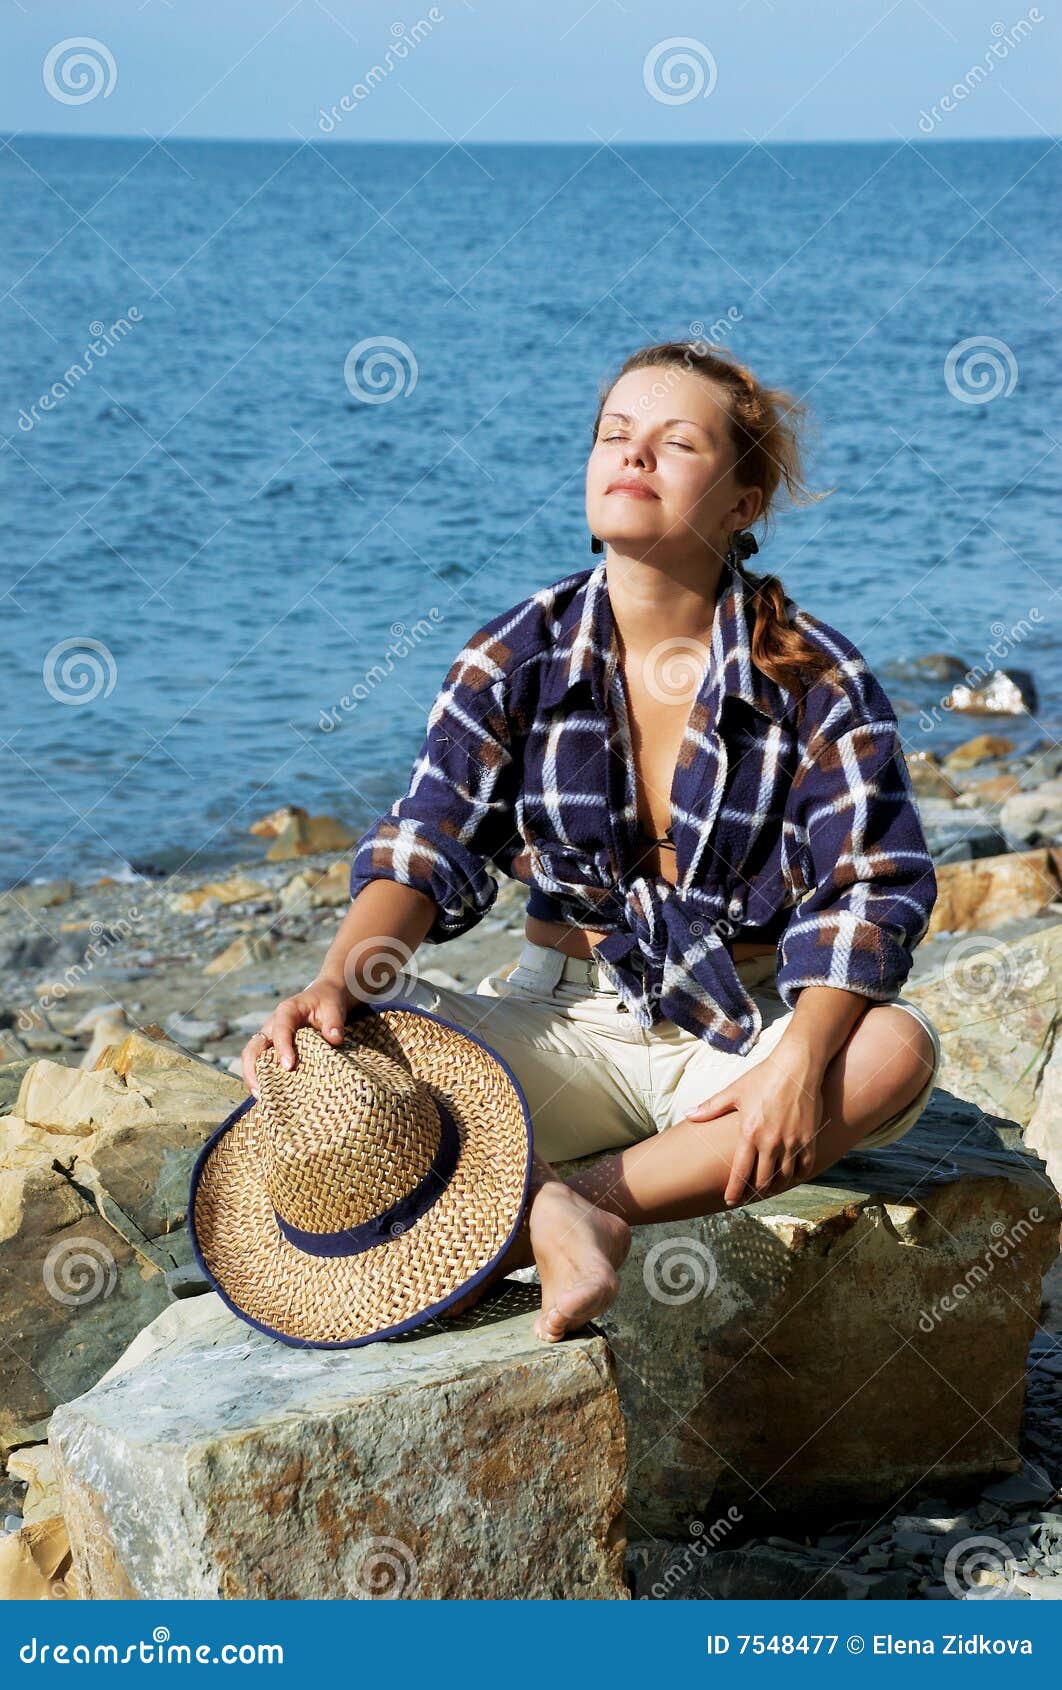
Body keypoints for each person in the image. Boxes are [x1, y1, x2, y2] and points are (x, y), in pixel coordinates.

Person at [241, 340, 941, 1346]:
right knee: (324, 1053)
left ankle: (573, 1206)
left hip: (739, 1036)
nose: (635, 455)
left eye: (677, 443)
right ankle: (571, 1199)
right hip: (560, 1026)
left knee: (890, 1049)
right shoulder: (513, 656)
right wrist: (334, 979)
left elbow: (871, 891)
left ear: (743, 503)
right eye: (616, 434)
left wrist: (797, 1063)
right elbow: (427, 843)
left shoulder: (815, 677)